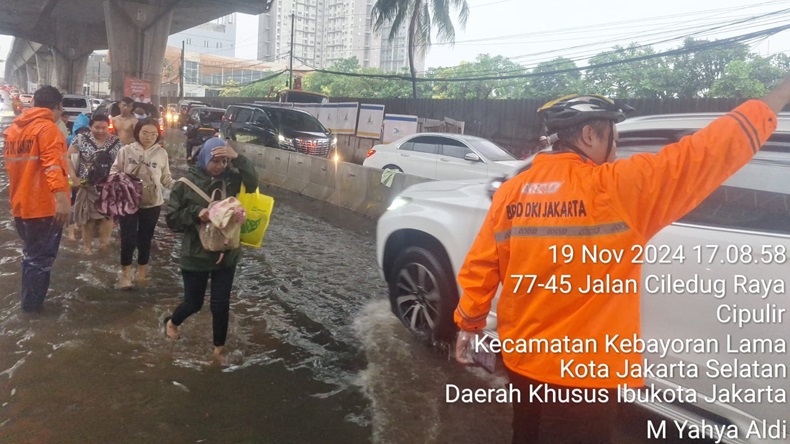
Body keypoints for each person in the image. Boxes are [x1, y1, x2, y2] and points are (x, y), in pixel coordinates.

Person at [453, 76, 790, 444]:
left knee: (527, 435)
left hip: (524, 362)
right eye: (613, 137)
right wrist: (780, 95)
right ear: (588, 136)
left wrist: (468, 326)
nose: (615, 149)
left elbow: (482, 264)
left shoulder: (513, 192)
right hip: (584, 378)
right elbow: (708, 151)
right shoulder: (617, 188)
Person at [163, 138, 259, 362]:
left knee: (220, 304)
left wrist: (239, 158)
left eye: (224, 161)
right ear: (204, 157)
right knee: (193, 303)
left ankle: (218, 351)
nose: (219, 166)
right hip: (196, 254)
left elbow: (253, 184)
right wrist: (197, 212)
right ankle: (172, 322)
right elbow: (172, 220)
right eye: (215, 160)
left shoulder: (232, 179)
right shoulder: (185, 184)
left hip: (226, 252)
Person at [2, 85, 70, 313]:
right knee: (40, 261)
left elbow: (10, 169)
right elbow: (53, 166)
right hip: (43, 208)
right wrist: (61, 200)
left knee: (30, 257)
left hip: (20, 206)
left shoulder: (14, 130)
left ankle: (28, 304)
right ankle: (32, 310)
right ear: (58, 106)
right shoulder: (48, 129)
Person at [110, 119, 174, 289]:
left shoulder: (162, 154)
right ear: (137, 132)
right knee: (128, 238)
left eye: (153, 134)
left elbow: (165, 178)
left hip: (152, 203)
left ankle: (142, 273)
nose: (149, 137)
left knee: (146, 239)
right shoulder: (125, 151)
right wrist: (120, 182)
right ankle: (125, 274)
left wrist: (180, 186)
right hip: (128, 202)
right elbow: (114, 171)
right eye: (145, 133)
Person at [66, 114, 122, 255]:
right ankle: (87, 247)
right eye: (97, 127)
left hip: (109, 187)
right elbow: (67, 158)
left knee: (107, 217)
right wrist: (74, 177)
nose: (101, 131)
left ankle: (104, 245)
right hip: (87, 185)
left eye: (104, 128)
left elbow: (123, 163)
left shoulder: (116, 142)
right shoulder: (80, 139)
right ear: (90, 127)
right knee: (88, 218)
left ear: (108, 127)